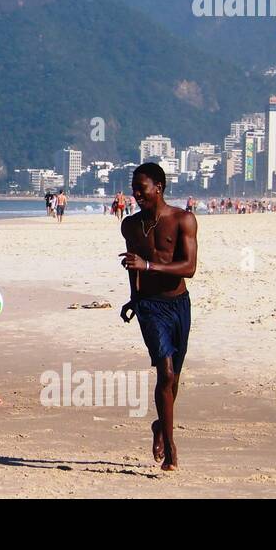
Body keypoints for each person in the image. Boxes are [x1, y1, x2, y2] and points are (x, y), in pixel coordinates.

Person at [118, 163, 198, 471]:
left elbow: (189, 267)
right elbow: (132, 266)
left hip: (179, 304)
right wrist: (134, 299)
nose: (136, 194)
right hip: (150, 306)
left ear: (159, 187)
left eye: (142, 188)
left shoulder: (183, 220)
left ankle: (159, 425)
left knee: (174, 377)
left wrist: (149, 267)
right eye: (134, 188)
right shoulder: (129, 225)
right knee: (164, 373)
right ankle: (171, 444)